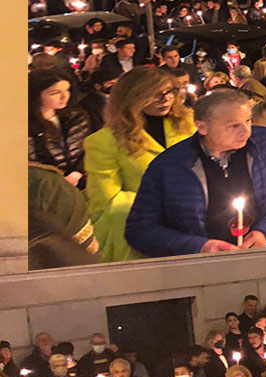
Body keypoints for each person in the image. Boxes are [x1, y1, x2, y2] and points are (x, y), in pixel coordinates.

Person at [124, 87, 266, 258]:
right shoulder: (168, 166)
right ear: (202, 127)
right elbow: (140, 229)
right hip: (205, 266)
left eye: (247, 121)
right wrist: (199, 246)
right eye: (233, 125)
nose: (246, 131)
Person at [83, 65, 196, 262]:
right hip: (141, 232)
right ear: (132, 97)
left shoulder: (190, 123)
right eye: (155, 94)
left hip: (196, 226)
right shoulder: (103, 141)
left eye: (170, 91)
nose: (166, 99)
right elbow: (106, 200)